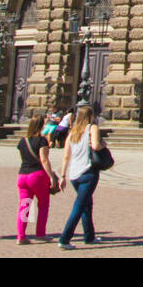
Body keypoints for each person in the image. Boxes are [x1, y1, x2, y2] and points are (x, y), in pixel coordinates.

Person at [57, 103, 105, 249]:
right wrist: (104, 144)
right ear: (90, 116)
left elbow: (66, 156)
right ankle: (64, 239)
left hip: (74, 175)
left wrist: (63, 176)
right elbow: (96, 146)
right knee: (79, 206)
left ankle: (89, 236)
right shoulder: (92, 128)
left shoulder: (72, 132)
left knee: (86, 205)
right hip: (88, 173)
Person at [14, 113, 56, 245]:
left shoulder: (22, 141)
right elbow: (44, 159)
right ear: (41, 125)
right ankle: (40, 234)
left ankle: (21, 236)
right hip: (37, 176)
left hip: (22, 176)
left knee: (24, 206)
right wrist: (52, 176)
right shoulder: (42, 140)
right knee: (43, 205)